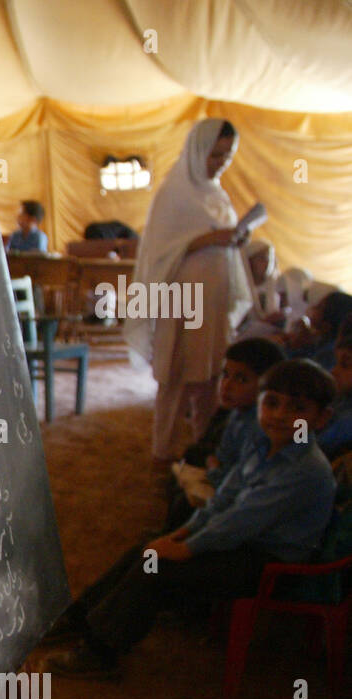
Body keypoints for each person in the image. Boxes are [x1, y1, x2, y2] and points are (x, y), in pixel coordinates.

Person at [45, 359, 338, 679]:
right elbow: (225, 498)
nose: (281, 415)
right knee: (148, 546)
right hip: (244, 542)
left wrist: (187, 548)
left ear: (321, 418)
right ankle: (79, 618)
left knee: (156, 565)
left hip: (273, 564)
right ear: (259, 404)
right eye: (272, 403)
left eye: (297, 408)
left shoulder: (306, 470)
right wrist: (183, 532)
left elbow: (242, 520)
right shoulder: (261, 443)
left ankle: (100, 652)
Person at [125, 119, 255, 463]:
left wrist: (237, 237)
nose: (221, 163)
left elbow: (222, 237)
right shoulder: (174, 193)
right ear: (198, 151)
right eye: (215, 155)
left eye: (227, 156)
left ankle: (202, 447)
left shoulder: (217, 194)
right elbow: (159, 252)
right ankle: (163, 450)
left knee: (211, 376)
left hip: (212, 301)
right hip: (182, 301)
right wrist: (211, 239)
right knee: (177, 375)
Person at [168, 337, 283, 527]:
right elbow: (224, 453)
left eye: (242, 379)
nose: (227, 385)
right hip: (224, 476)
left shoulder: (260, 427)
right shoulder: (237, 413)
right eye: (225, 375)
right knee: (183, 475)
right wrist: (214, 463)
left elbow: (239, 481)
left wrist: (214, 469)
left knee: (185, 505)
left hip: (238, 495)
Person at [283, 288, 350, 369]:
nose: (313, 308)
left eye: (319, 307)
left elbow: (288, 369)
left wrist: (295, 344)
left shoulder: (326, 356)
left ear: (326, 326)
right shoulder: (320, 342)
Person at [232, 240, 285, 341]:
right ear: (249, 261)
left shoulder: (274, 290)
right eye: (261, 259)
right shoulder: (237, 288)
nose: (266, 263)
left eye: (269, 259)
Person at [317, 333, 352, 459]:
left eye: (345, 365)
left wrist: (300, 421)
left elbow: (301, 448)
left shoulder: (347, 421)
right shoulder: (342, 399)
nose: (333, 371)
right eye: (336, 363)